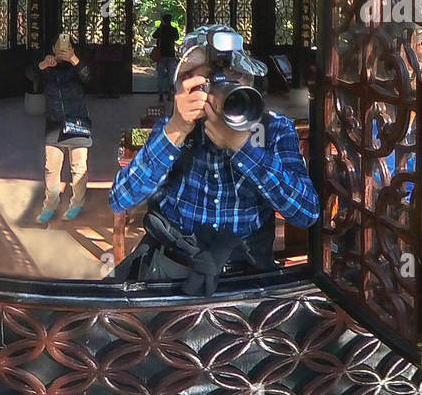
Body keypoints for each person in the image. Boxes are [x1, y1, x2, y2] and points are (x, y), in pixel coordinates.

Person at [110, 23, 318, 293]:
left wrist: (243, 148)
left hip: (247, 272)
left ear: (248, 81)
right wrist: (175, 131)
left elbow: (306, 212)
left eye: (235, 77)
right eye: (208, 82)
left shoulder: (274, 128)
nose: (225, 90)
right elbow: (121, 198)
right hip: (174, 271)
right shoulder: (174, 128)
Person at [32, 33, 93, 224]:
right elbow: (29, 74)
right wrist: (43, 65)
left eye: (66, 47)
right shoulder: (47, 68)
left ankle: (76, 204)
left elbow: (90, 78)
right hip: (54, 124)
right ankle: (50, 204)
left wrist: (74, 60)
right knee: (51, 168)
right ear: (53, 50)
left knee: (79, 168)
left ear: (72, 49)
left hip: (77, 123)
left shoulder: (78, 66)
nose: (62, 51)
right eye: (58, 48)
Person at [150, 16, 180, 112]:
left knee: (160, 75)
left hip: (161, 55)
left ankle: (161, 94)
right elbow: (177, 38)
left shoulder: (161, 30)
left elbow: (154, 36)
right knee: (171, 75)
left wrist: (161, 28)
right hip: (170, 54)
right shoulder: (173, 29)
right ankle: (171, 93)